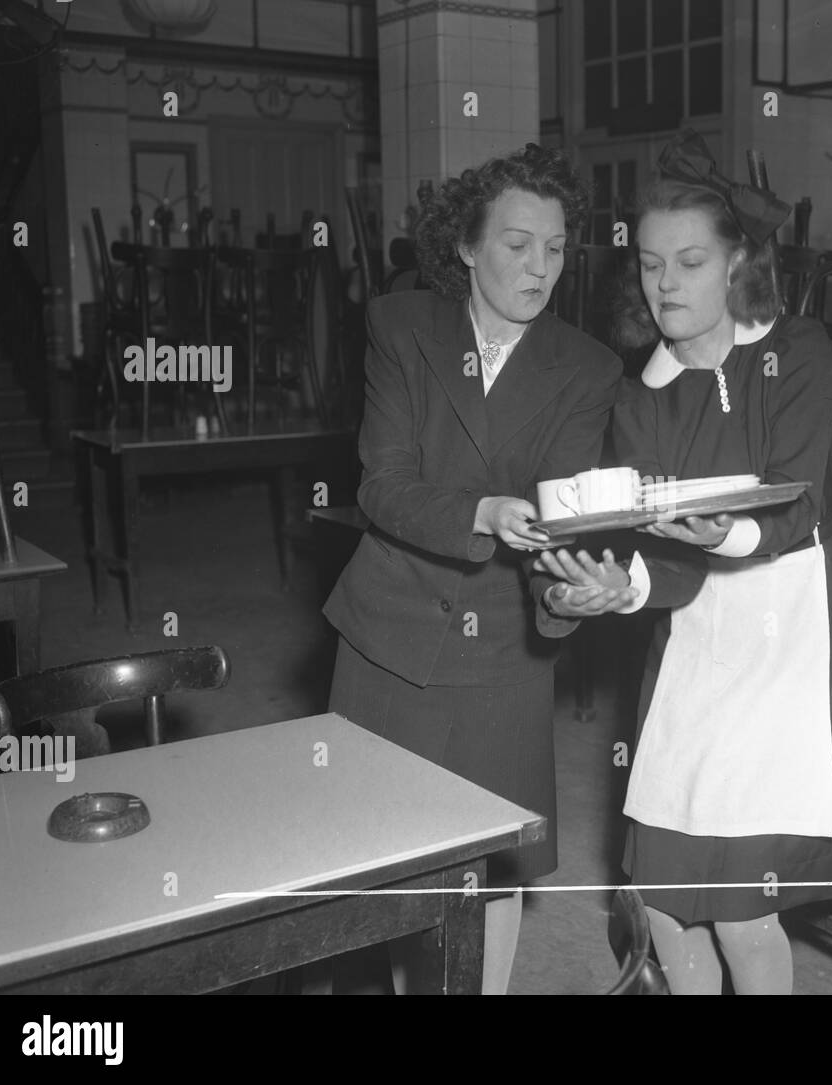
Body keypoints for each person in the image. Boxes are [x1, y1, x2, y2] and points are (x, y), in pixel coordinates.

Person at [537, 130, 832, 995]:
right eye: (652, 265)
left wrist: (719, 531)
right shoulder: (642, 395)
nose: (665, 285)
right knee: (660, 898)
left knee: (739, 902)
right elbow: (668, 564)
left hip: (787, 633)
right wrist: (621, 585)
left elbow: (799, 498)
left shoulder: (798, 350)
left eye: (690, 262)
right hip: (696, 644)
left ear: (738, 262)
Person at [322, 144, 630, 994]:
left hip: (499, 649)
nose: (541, 268)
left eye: (558, 248)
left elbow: (562, 520)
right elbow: (381, 485)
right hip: (386, 630)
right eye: (517, 244)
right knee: (378, 862)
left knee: (494, 867)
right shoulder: (399, 327)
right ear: (464, 246)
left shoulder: (587, 368)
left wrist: (568, 594)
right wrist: (481, 514)